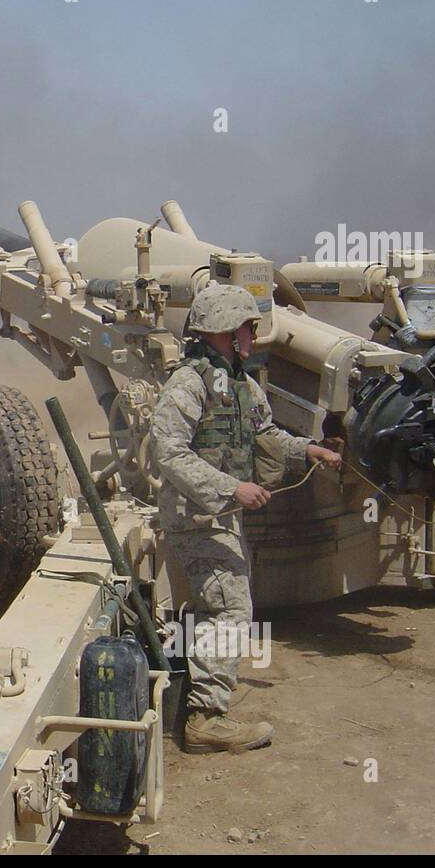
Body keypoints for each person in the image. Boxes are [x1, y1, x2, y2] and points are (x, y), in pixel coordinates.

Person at [151, 284, 342, 753]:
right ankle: (205, 720)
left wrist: (308, 450)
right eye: (248, 327)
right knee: (231, 610)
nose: (253, 336)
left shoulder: (240, 382)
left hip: (219, 516)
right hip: (197, 518)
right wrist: (230, 487)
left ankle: (192, 698)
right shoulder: (189, 383)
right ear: (226, 331)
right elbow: (168, 452)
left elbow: (267, 434)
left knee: (219, 604)